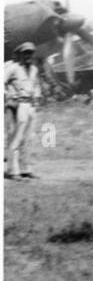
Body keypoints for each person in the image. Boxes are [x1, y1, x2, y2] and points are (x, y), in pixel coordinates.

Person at [5, 42, 44, 180]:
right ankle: (12, 171)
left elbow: (36, 85)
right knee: (16, 137)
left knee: (28, 138)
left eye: (30, 53)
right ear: (20, 54)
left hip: (31, 105)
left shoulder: (34, 69)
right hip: (19, 104)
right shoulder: (13, 68)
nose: (28, 56)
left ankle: (26, 169)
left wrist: (37, 100)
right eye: (26, 53)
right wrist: (8, 96)